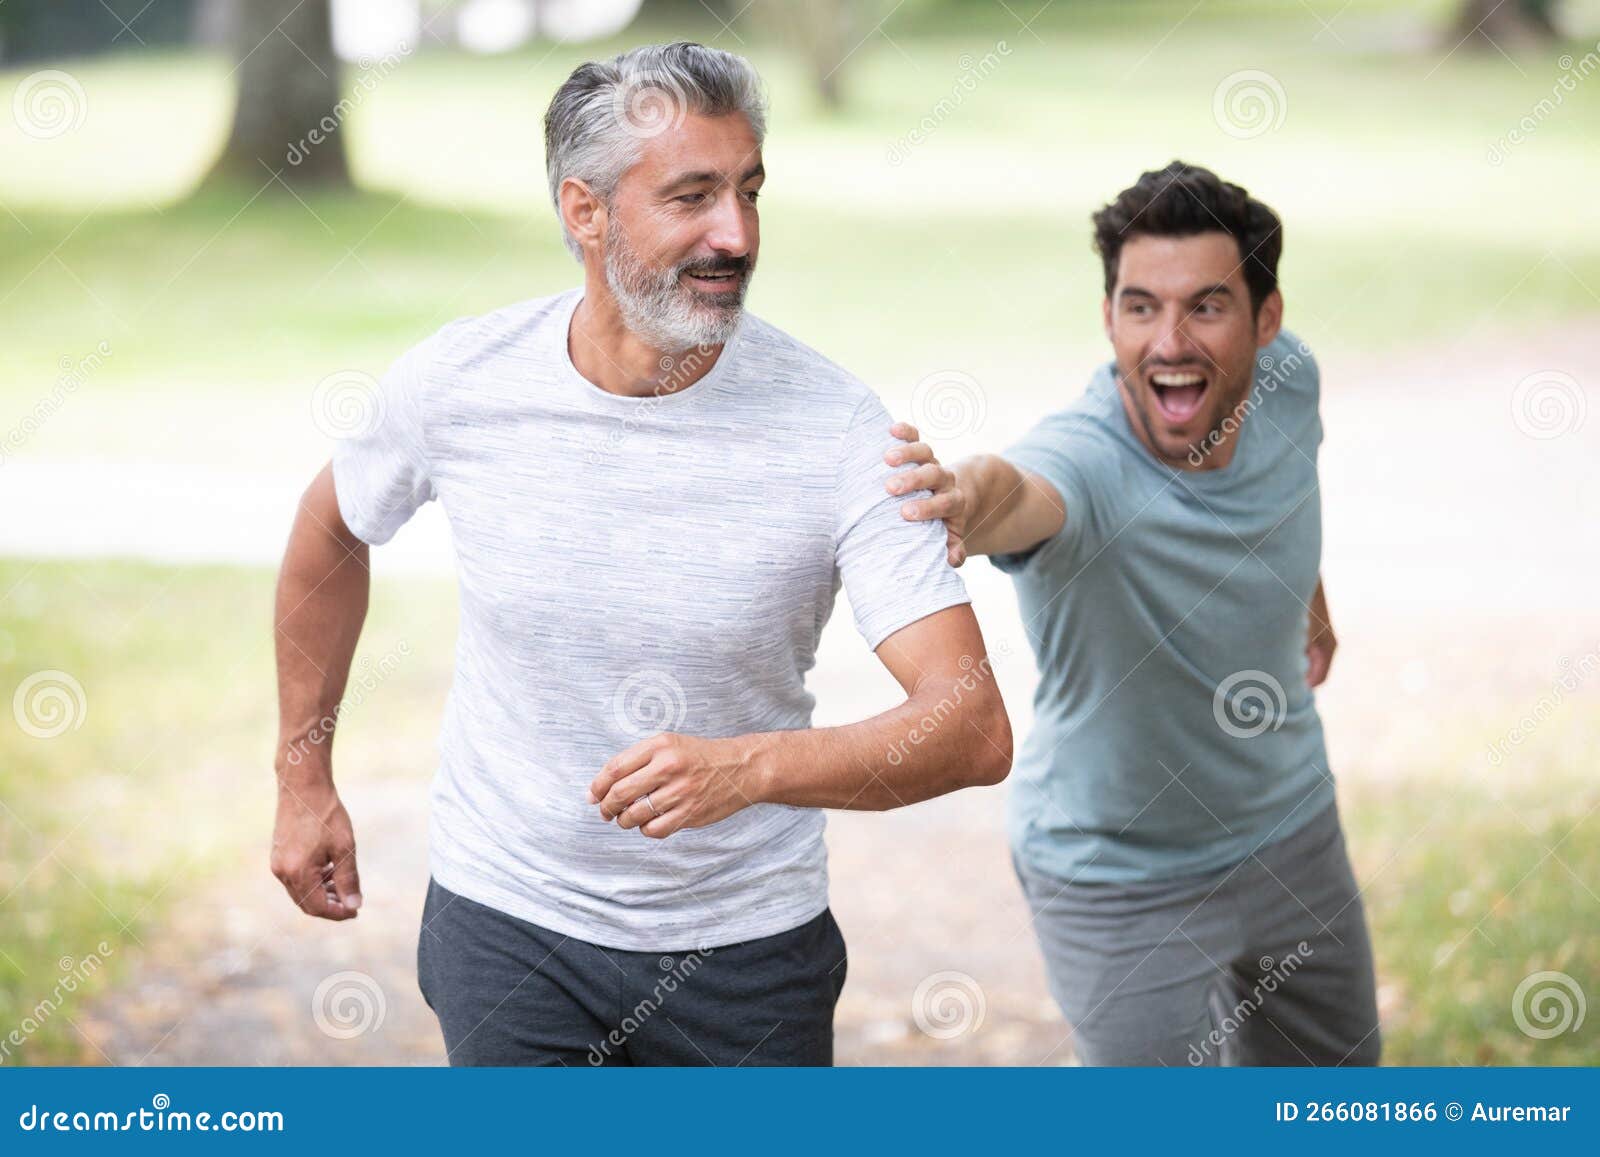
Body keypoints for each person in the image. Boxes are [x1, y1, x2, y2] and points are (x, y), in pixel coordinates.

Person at [270, 42, 1011, 1067]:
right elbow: (330, 529)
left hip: (747, 953)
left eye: (750, 191)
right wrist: (303, 776)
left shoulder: (837, 427)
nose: (737, 234)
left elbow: (969, 726)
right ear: (585, 211)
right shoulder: (462, 384)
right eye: (693, 195)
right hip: (507, 923)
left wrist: (752, 767)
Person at [888, 161, 1380, 1066]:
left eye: (1206, 306)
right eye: (1140, 306)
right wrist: (963, 493)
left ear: (1266, 322)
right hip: (1114, 872)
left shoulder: (1291, 380)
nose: (1169, 341)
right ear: (1109, 315)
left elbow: (1286, 486)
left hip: (1290, 828)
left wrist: (1305, 600)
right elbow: (1014, 491)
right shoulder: (1087, 462)